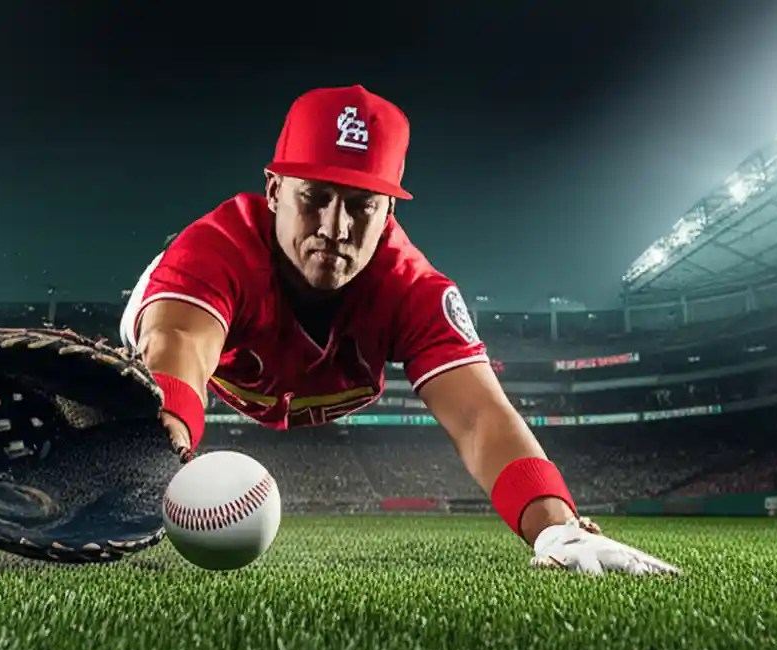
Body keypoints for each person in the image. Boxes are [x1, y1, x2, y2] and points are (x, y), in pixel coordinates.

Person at [119, 84, 679, 575]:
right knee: (139, 378)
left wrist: (557, 526)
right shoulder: (219, 246)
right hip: (193, 337)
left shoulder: (412, 288)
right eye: (313, 198)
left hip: (293, 365)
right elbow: (182, 343)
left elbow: (480, 415)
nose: (335, 227)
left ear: (389, 212)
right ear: (273, 191)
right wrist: (164, 435)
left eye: (362, 206)